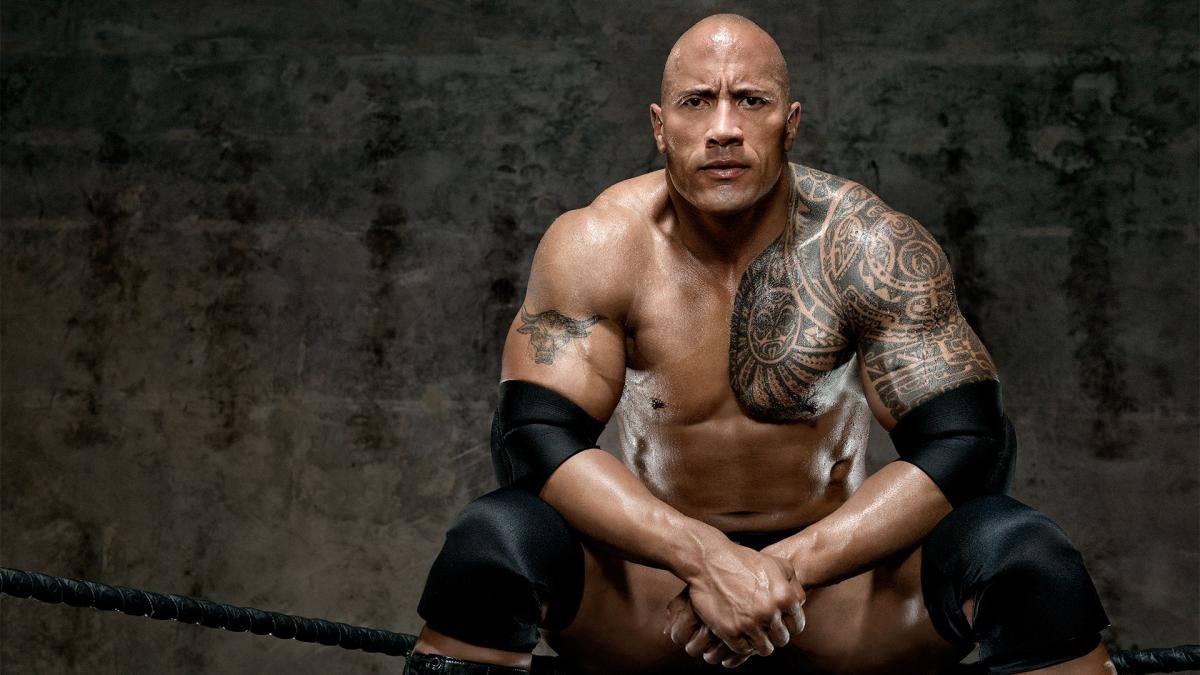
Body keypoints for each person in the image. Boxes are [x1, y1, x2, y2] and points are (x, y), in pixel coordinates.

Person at [404, 14, 1113, 675]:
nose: (723, 129)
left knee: (1024, 554)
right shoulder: (599, 244)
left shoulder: (868, 246)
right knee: (493, 542)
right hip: (659, 599)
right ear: (659, 126)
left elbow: (968, 444)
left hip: (835, 595)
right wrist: (704, 559)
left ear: (789, 123)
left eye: (750, 101)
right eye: (696, 103)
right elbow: (533, 439)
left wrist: (784, 570)